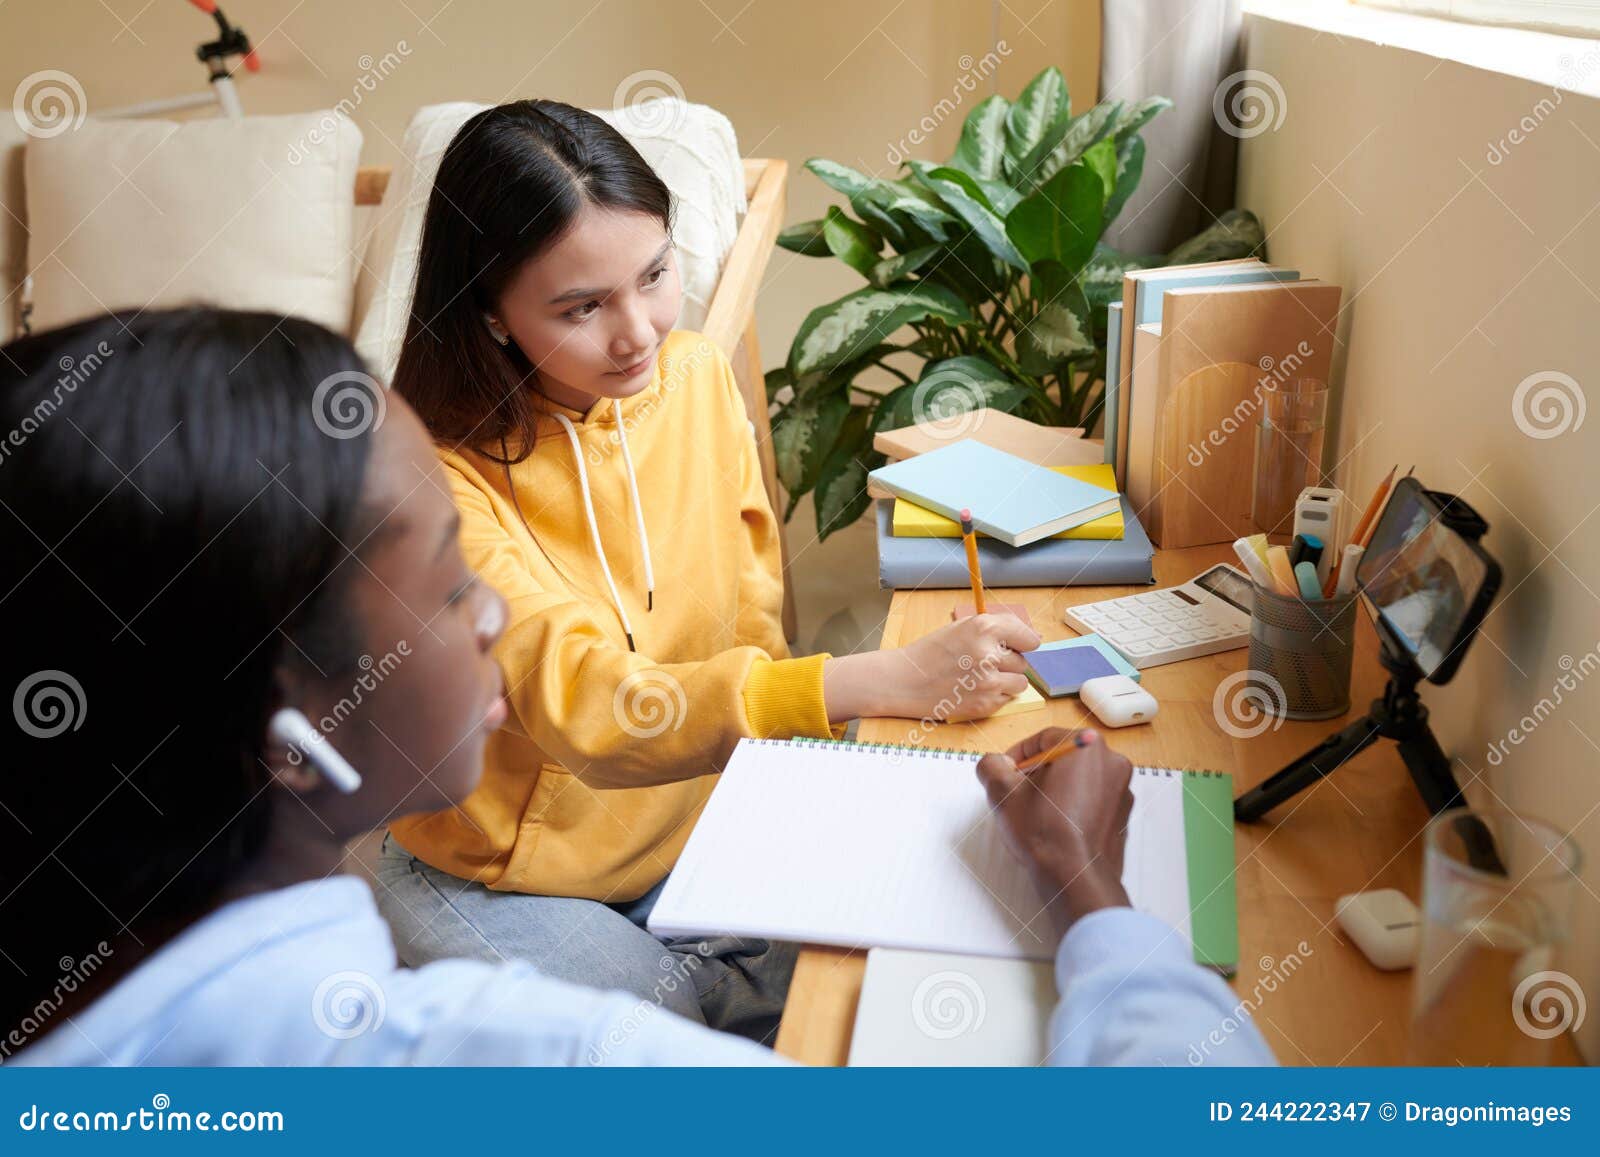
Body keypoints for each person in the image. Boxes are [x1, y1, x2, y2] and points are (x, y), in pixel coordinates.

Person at [1, 308, 1272, 1067]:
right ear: (289, 733)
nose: (485, 610)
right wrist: (1098, 899)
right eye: (449, 583)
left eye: (656, 278)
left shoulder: (697, 386)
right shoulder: (547, 1062)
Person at [378, 97, 1040, 1036]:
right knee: (680, 1046)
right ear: (489, 313)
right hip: (503, 874)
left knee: (899, 954)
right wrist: (884, 678)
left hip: (697, 834)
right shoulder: (435, 478)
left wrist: (788, 814)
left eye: (654, 274)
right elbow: (588, 701)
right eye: (581, 307)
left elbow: (751, 613)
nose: (638, 331)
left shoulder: (691, 379)